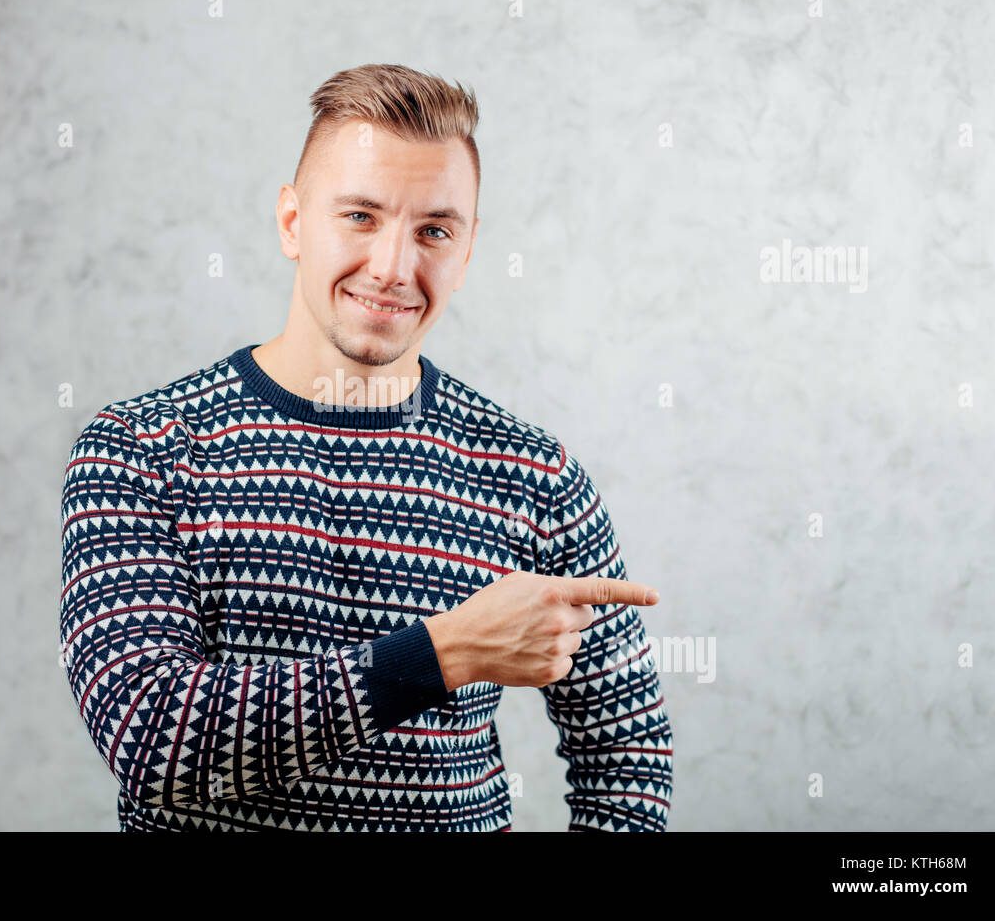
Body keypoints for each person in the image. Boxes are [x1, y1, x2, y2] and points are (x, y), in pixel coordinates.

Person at [59, 63, 673, 831]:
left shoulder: (537, 477)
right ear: (291, 222)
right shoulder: (142, 450)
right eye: (360, 216)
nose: (392, 266)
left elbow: (629, 757)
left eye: (434, 231)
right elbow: (154, 740)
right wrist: (444, 653)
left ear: (469, 249)